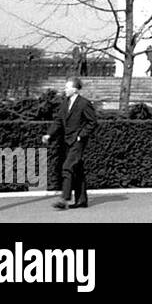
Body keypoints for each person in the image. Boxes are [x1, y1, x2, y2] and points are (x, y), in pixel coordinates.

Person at [41, 77, 97, 210]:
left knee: (67, 167)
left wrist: (80, 136)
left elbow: (92, 122)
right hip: (68, 141)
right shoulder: (65, 103)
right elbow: (58, 121)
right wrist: (49, 134)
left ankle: (64, 199)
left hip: (78, 142)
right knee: (77, 170)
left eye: (67, 87)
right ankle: (81, 201)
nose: (64, 90)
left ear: (74, 89)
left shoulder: (84, 103)